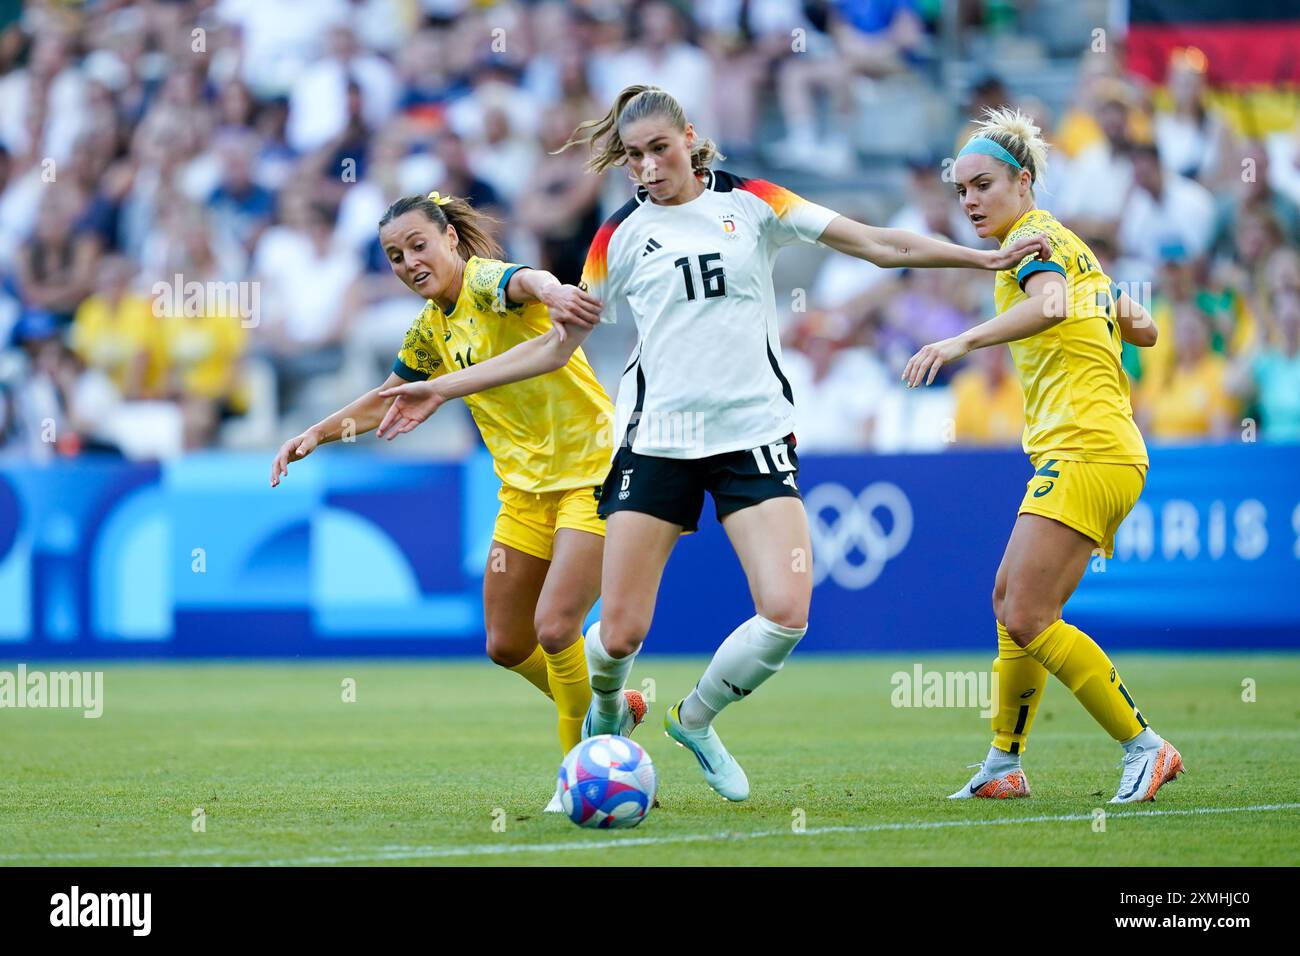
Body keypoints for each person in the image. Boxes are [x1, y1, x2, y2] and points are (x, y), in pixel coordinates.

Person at [383, 85, 1051, 803]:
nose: (646, 167)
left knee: (788, 613)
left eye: (658, 150)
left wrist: (979, 262)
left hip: (752, 435)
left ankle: (695, 718)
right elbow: (554, 349)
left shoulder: (754, 201)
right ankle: (607, 721)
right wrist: (443, 388)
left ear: (690, 139)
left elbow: (880, 244)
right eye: (633, 157)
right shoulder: (619, 237)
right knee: (617, 636)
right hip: (657, 441)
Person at [269, 190, 645, 812]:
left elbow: (525, 280)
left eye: (419, 244)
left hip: (593, 472)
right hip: (524, 492)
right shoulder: (429, 331)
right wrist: (318, 432)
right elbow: (387, 397)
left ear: (449, 238)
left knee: (555, 628)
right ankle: (613, 709)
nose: (410, 261)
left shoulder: (484, 281)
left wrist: (551, 291)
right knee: (505, 642)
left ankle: (582, 773)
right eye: (394, 256)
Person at [902, 108, 1184, 803]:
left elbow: (1053, 304)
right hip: (1098, 451)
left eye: (984, 185)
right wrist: (1132, 320)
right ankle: (1004, 764)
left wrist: (959, 342)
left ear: (1023, 182)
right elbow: (1137, 323)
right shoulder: (1067, 240)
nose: (970, 200)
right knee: (1011, 604)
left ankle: (1145, 747)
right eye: (962, 188)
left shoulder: (1033, 241)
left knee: (1027, 613)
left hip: (1087, 451)